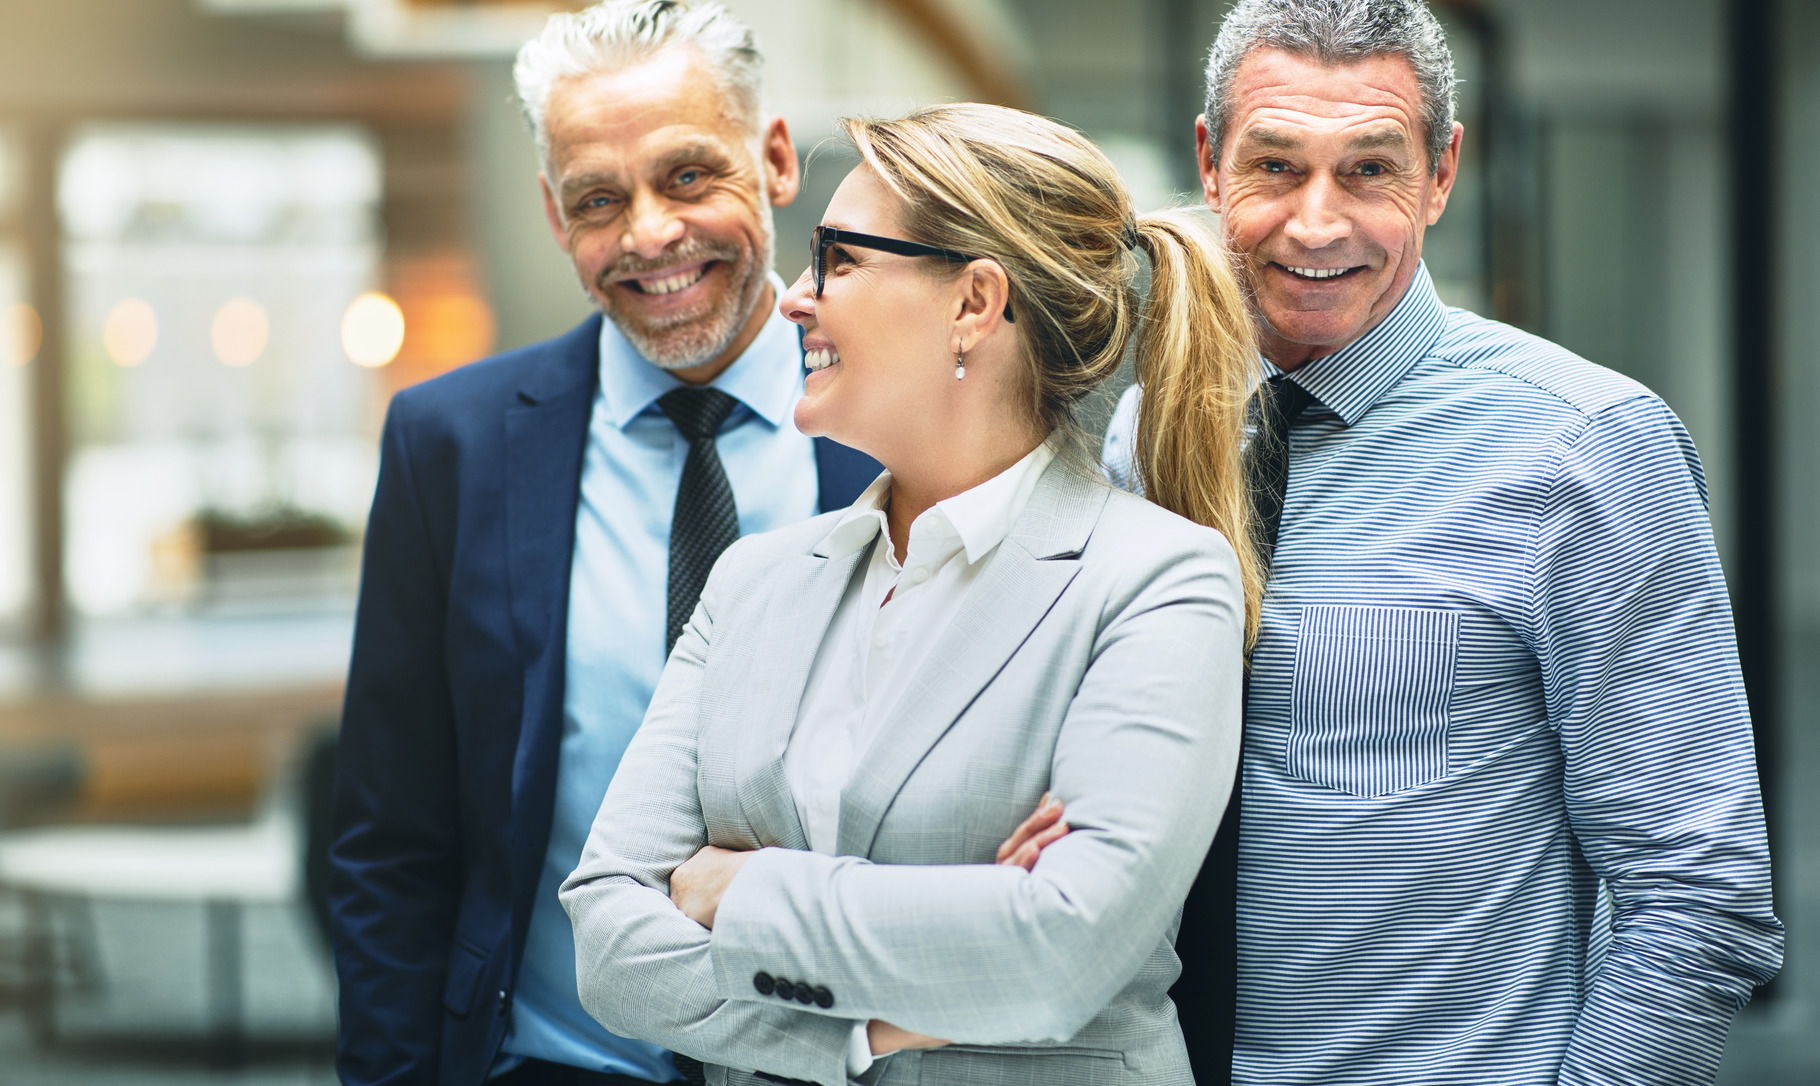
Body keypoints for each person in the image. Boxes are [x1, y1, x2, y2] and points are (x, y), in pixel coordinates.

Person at [1091, 1, 1785, 1082]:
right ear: (1210, 165)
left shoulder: (1588, 446)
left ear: (1442, 173)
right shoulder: (1149, 432)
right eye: (1275, 166)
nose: (1316, 223)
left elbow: (1695, 893)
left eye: (1369, 170)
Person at [557, 103, 1262, 1086]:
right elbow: (609, 945)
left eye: (839, 261)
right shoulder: (751, 582)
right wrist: (864, 1030)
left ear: (973, 301)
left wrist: (746, 890)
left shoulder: (1156, 581)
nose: (795, 298)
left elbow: (1061, 951)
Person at [327, 4, 881, 1085]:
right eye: (598, 199)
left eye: (687, 176)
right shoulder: (450, 447)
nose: (648, 234)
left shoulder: (904, 430)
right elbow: (392, 841)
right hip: (552, 1061)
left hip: (835, 1059)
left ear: (774, 161)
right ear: (553, 214)